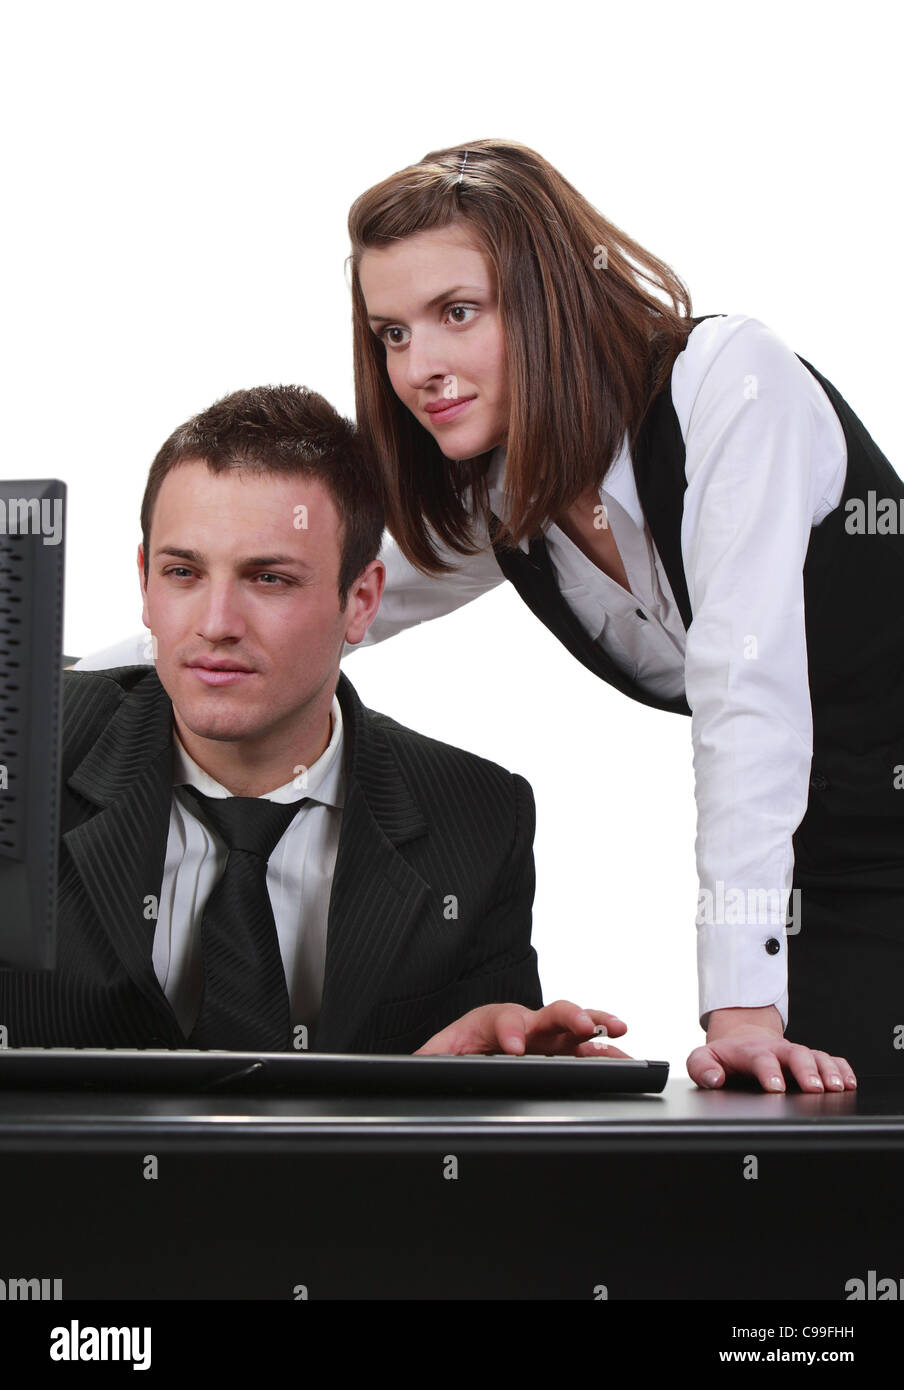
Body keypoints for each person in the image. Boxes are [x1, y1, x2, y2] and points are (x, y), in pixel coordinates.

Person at [338, 137, 904, 1091]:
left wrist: (740, 1007)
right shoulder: (500, 500)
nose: (418, 366)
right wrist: (64, 675)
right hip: (824, 879)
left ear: (549, 294)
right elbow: (312, 601)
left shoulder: (732, 383)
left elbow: (746, 688)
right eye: (391, 332)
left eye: (457, 313)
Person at [2, 385, 627, 1057]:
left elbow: (476, 1132)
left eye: (268, 579)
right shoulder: (25, 754)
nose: (215, 626)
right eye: (182, 572)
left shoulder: (478, 822)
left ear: (360, 601)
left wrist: (457, 1094)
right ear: (145, 585)